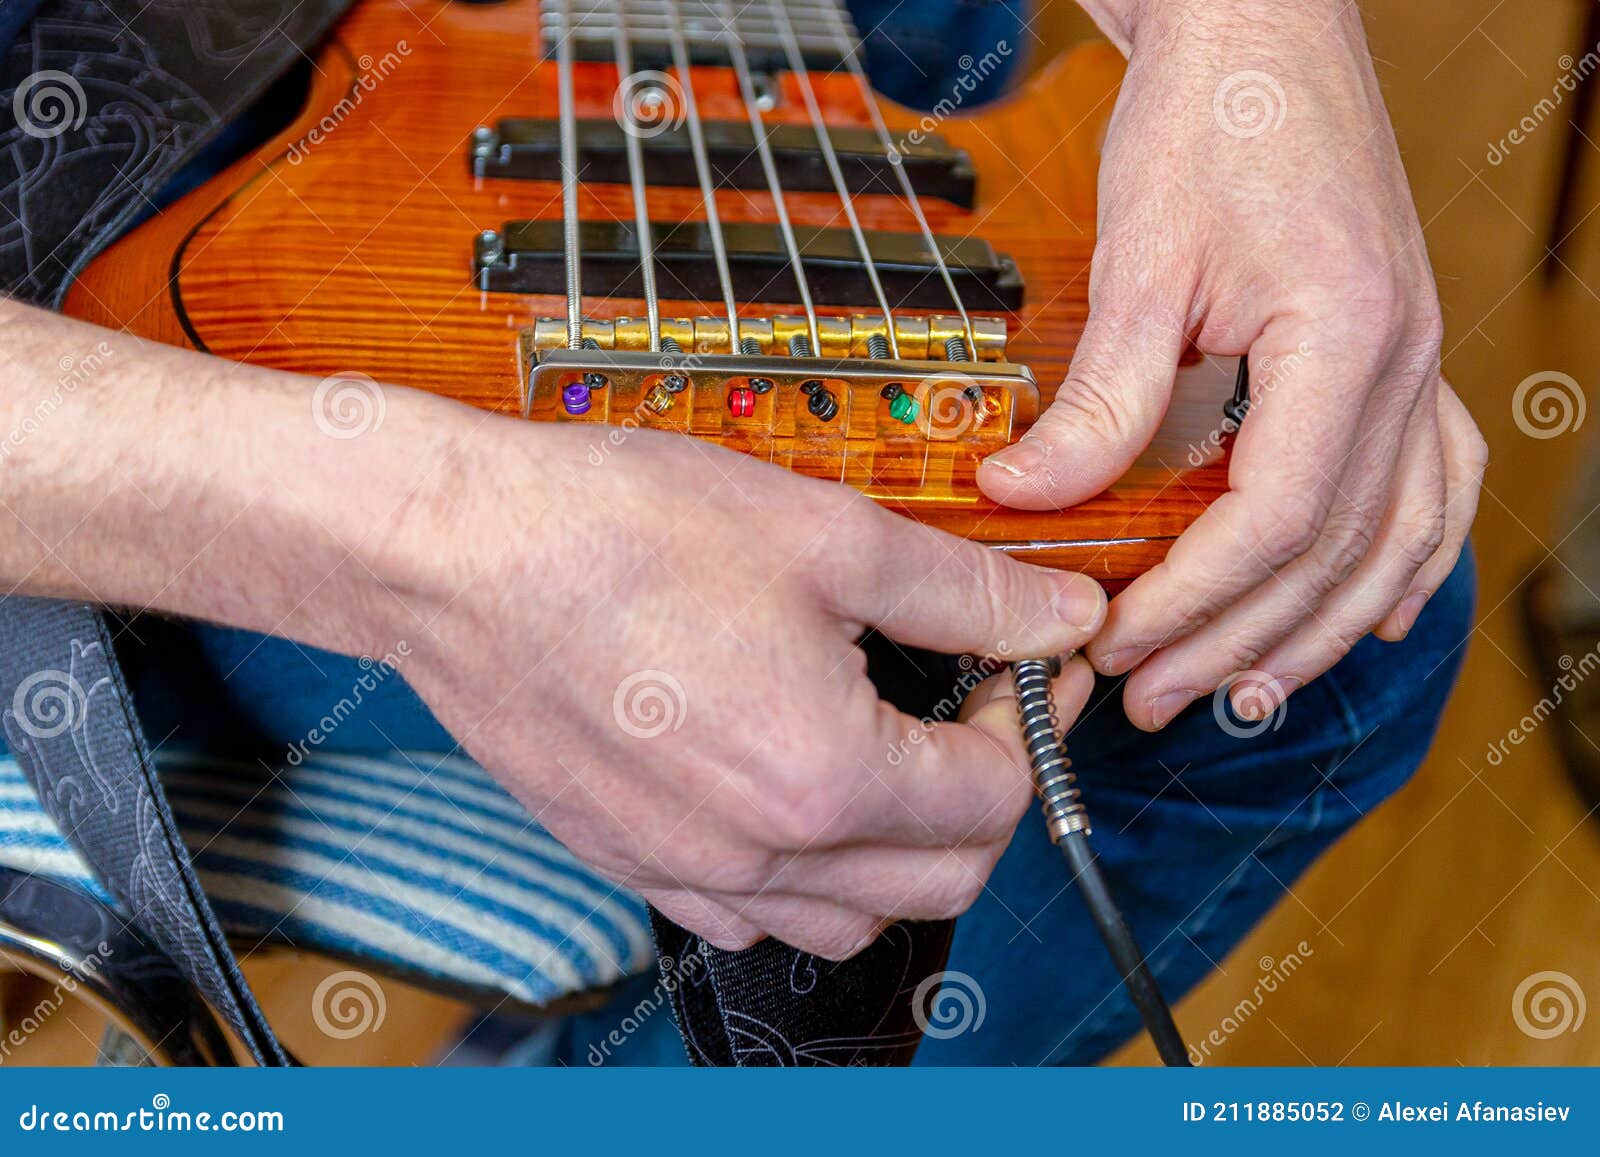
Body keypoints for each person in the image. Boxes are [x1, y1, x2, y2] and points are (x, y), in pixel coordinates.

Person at [0, 0, 1483, 1065]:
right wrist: (429, 538)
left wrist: (1261, 39)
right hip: (117, 256)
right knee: (1320, 659)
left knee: (1321, 568)